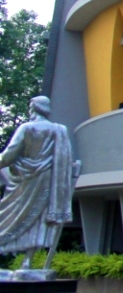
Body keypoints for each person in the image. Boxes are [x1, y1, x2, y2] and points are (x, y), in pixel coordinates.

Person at [0, 96, 74, 270]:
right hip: (47, 180)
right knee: (37, 219)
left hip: (25, 181)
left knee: (8, 216)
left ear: (33, 108)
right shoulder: (58, 130)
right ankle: (28, 260)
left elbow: (9, 155)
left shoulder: (27, 128)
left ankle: (23, 261)